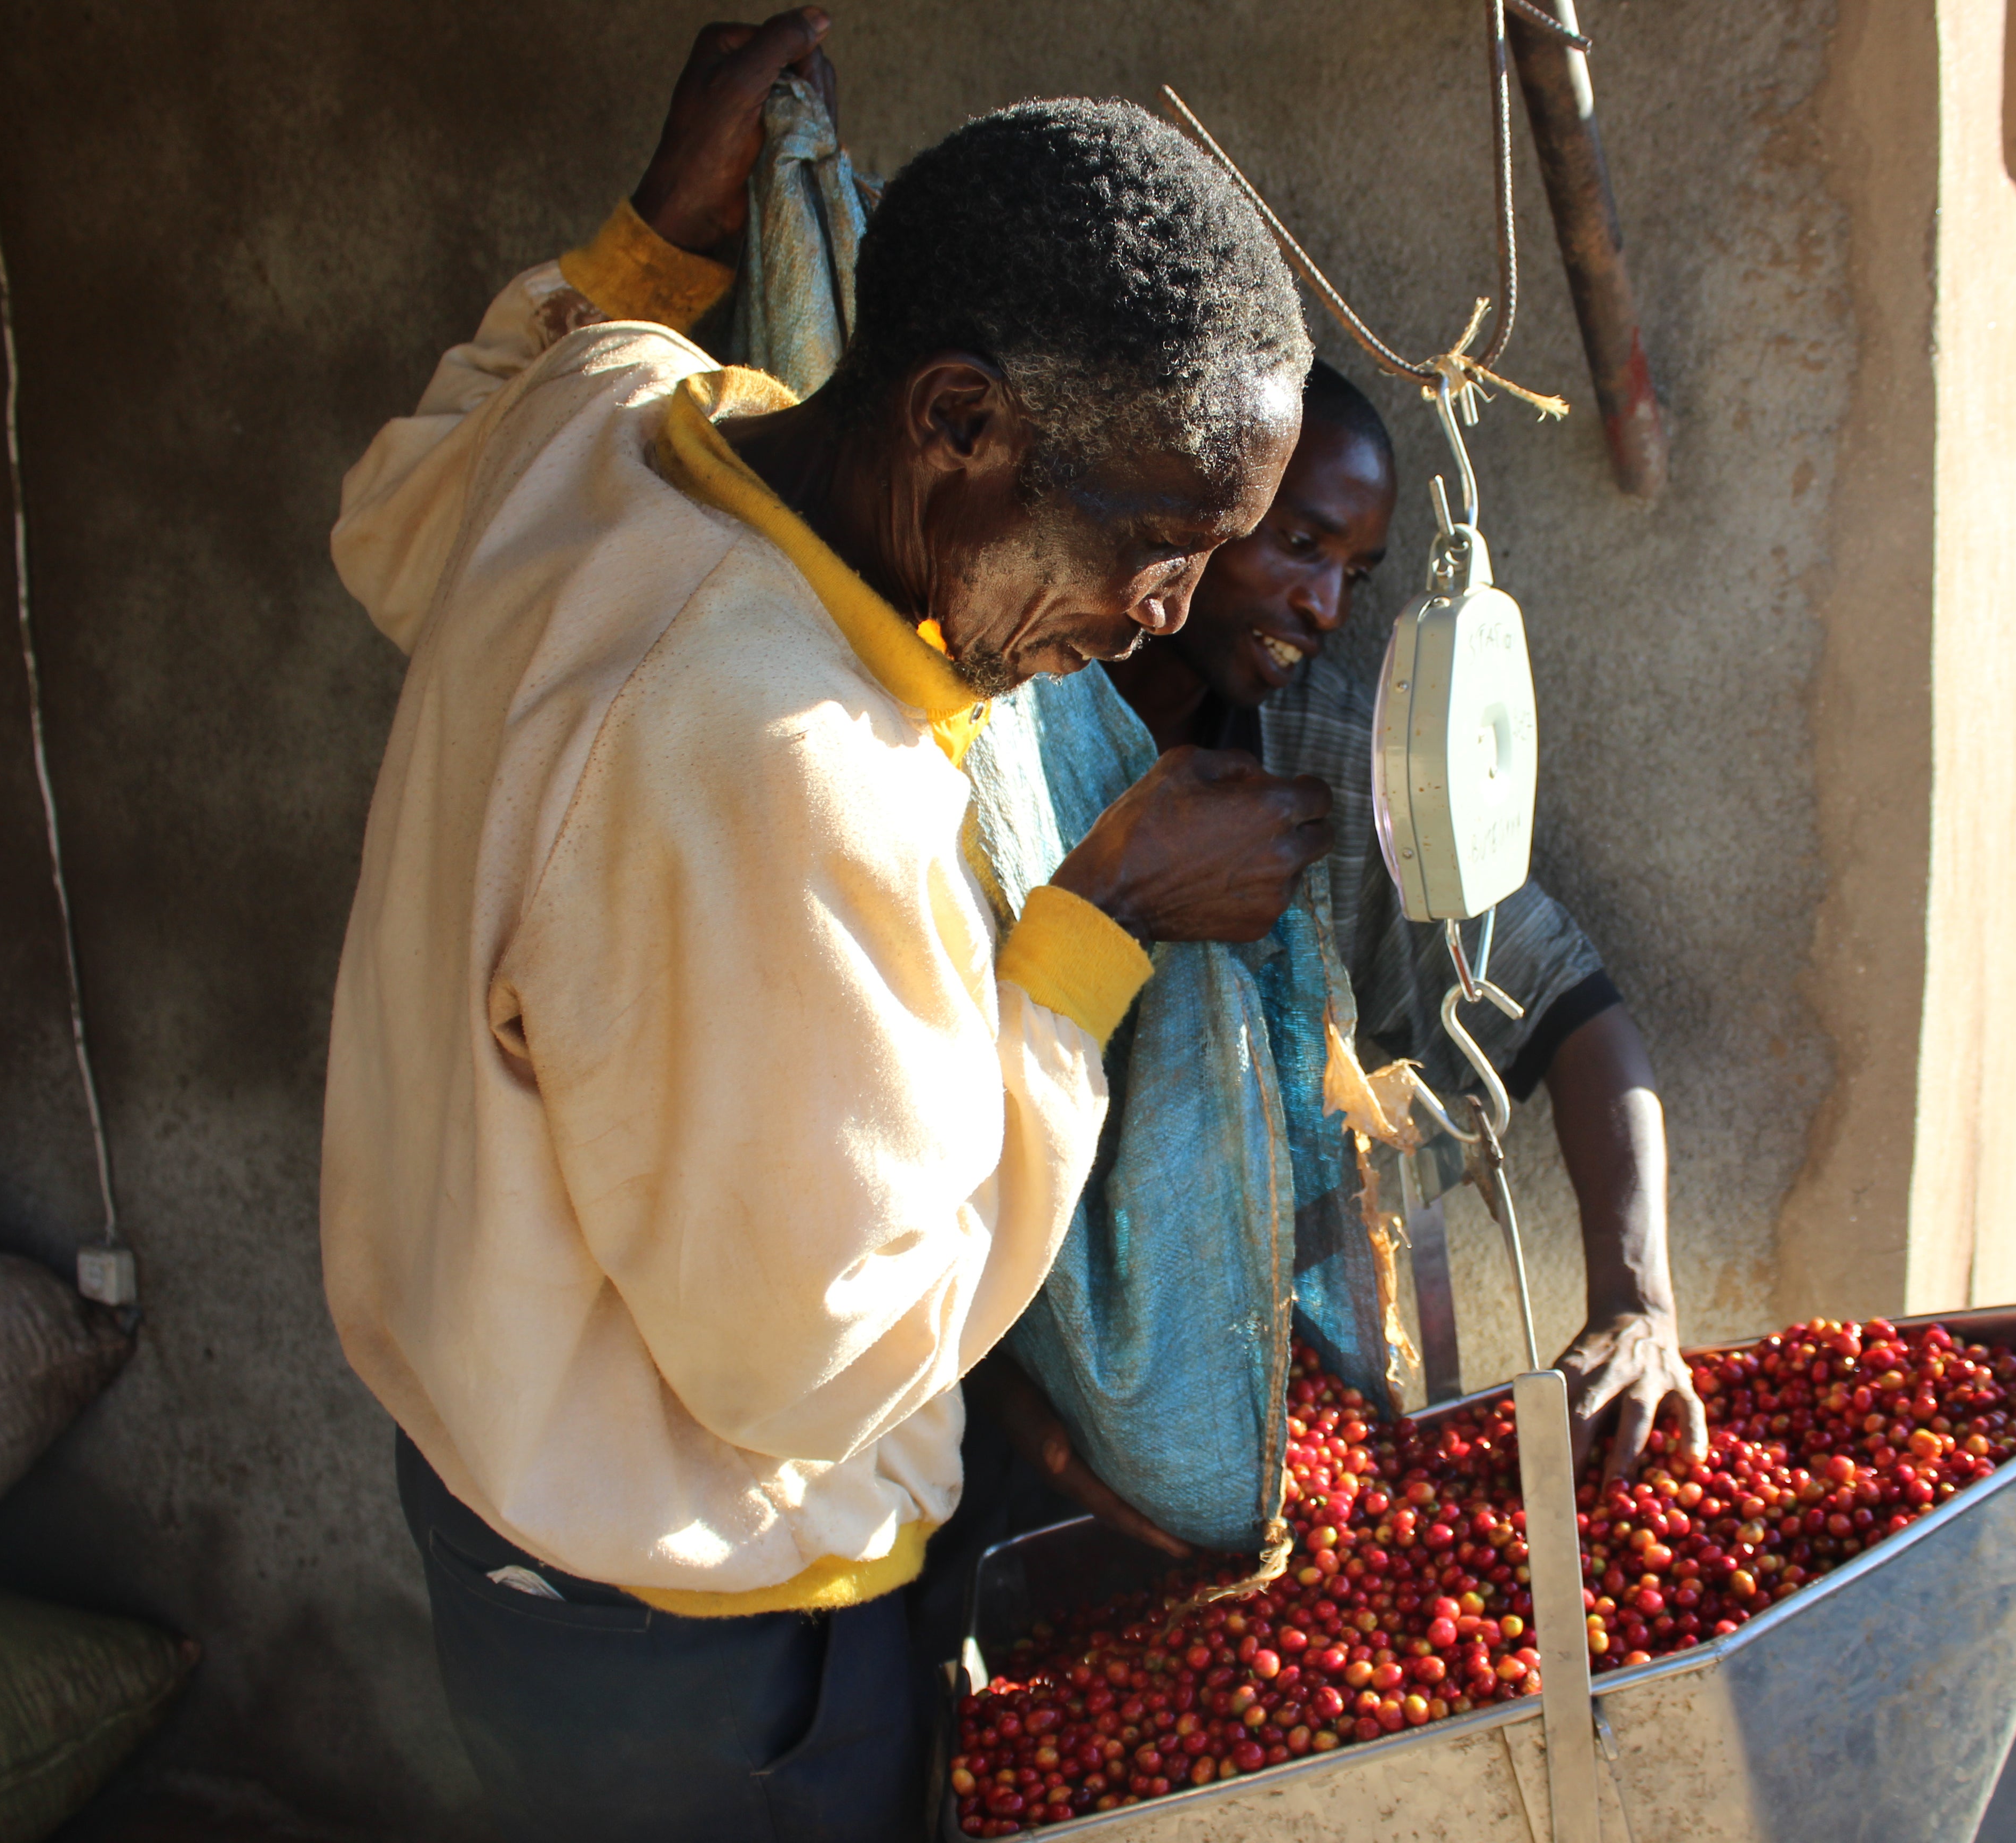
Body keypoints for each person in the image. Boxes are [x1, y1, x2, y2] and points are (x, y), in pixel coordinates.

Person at [318, 14, 1328, 1840]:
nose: (1168, 607)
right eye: (1154, 543)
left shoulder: (627, 411)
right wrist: (1094, 929)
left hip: (504, 1512)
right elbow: (817, 1362)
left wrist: (653, 239)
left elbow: (393, 510)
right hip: (708, 1655)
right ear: (958, 422)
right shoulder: (784, 775)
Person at [1102, 362, 1711, 1474]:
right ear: (1196, 510)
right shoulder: (1014, 716)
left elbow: (1573, 1003)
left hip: (1220, 1400)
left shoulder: (1330, 758)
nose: (1328, 609)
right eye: (1300, 547)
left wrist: (1637, 1304)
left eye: (1355, 571)